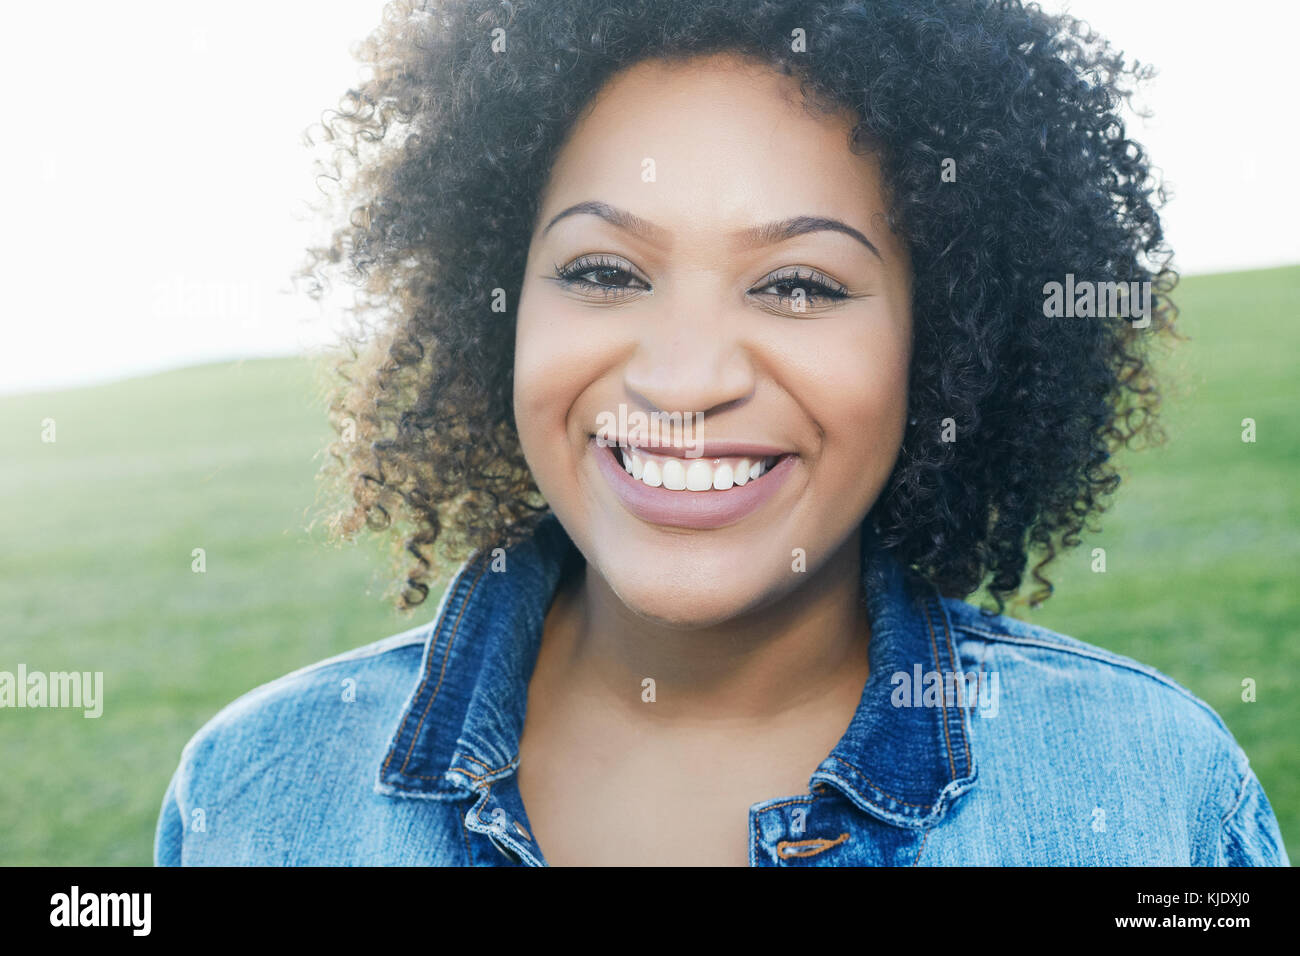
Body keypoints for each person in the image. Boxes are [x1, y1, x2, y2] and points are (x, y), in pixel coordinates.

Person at [154, 0, 1289, 866]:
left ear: (941, 343)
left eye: (797, 284)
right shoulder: (256, 791)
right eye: (603, 270)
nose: (682, 378)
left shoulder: (1149, 794)